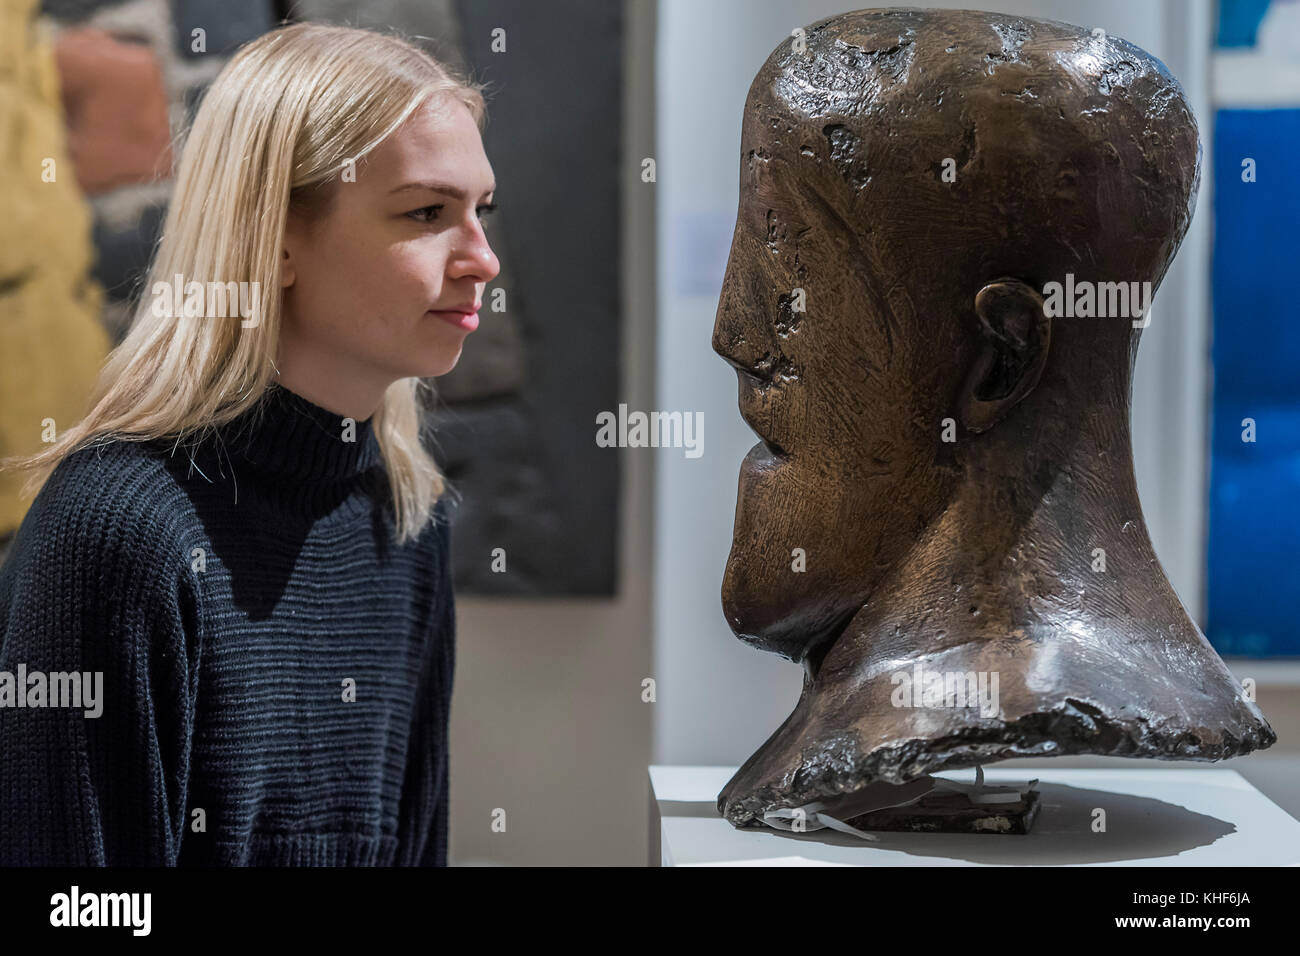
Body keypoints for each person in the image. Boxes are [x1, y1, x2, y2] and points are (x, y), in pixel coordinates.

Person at [0, 22, 499, 865]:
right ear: (277, 238)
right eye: (427, 212)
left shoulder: (406, 521)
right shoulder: (116, 534)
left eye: (482, 209)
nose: (481, 258)